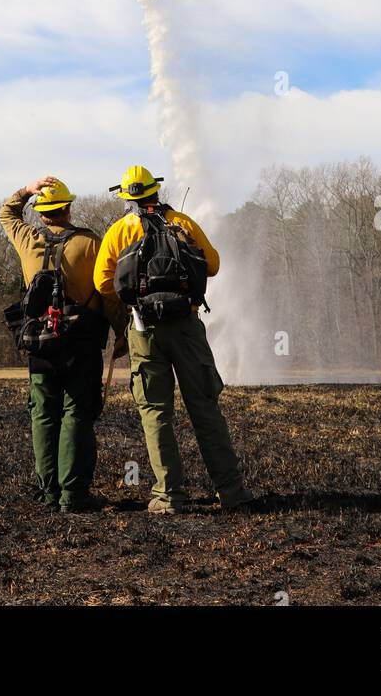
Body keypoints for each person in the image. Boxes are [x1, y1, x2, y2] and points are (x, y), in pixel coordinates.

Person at [93, 164, 254, 514]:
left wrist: (134, 293)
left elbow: (101, 283)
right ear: (156, 191)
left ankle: (168, 496)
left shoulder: (119, 231)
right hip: (186, 326)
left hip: (143, 330)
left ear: (124, 198)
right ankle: (231, 491)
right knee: (205, 408)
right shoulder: (182, 222)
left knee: (155, 413)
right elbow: (212, 265)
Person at [0, 175, 124, 513]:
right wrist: (122, 332)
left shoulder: (27, 238)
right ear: (69, 208)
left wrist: (27, 190)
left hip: (39, 345)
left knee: (43, 415)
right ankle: (74, 496)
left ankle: (49, 492)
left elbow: (6, 214)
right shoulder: (91, 243)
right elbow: (108, 292)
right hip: (81, 345)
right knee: (77, 415)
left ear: (41, 212)